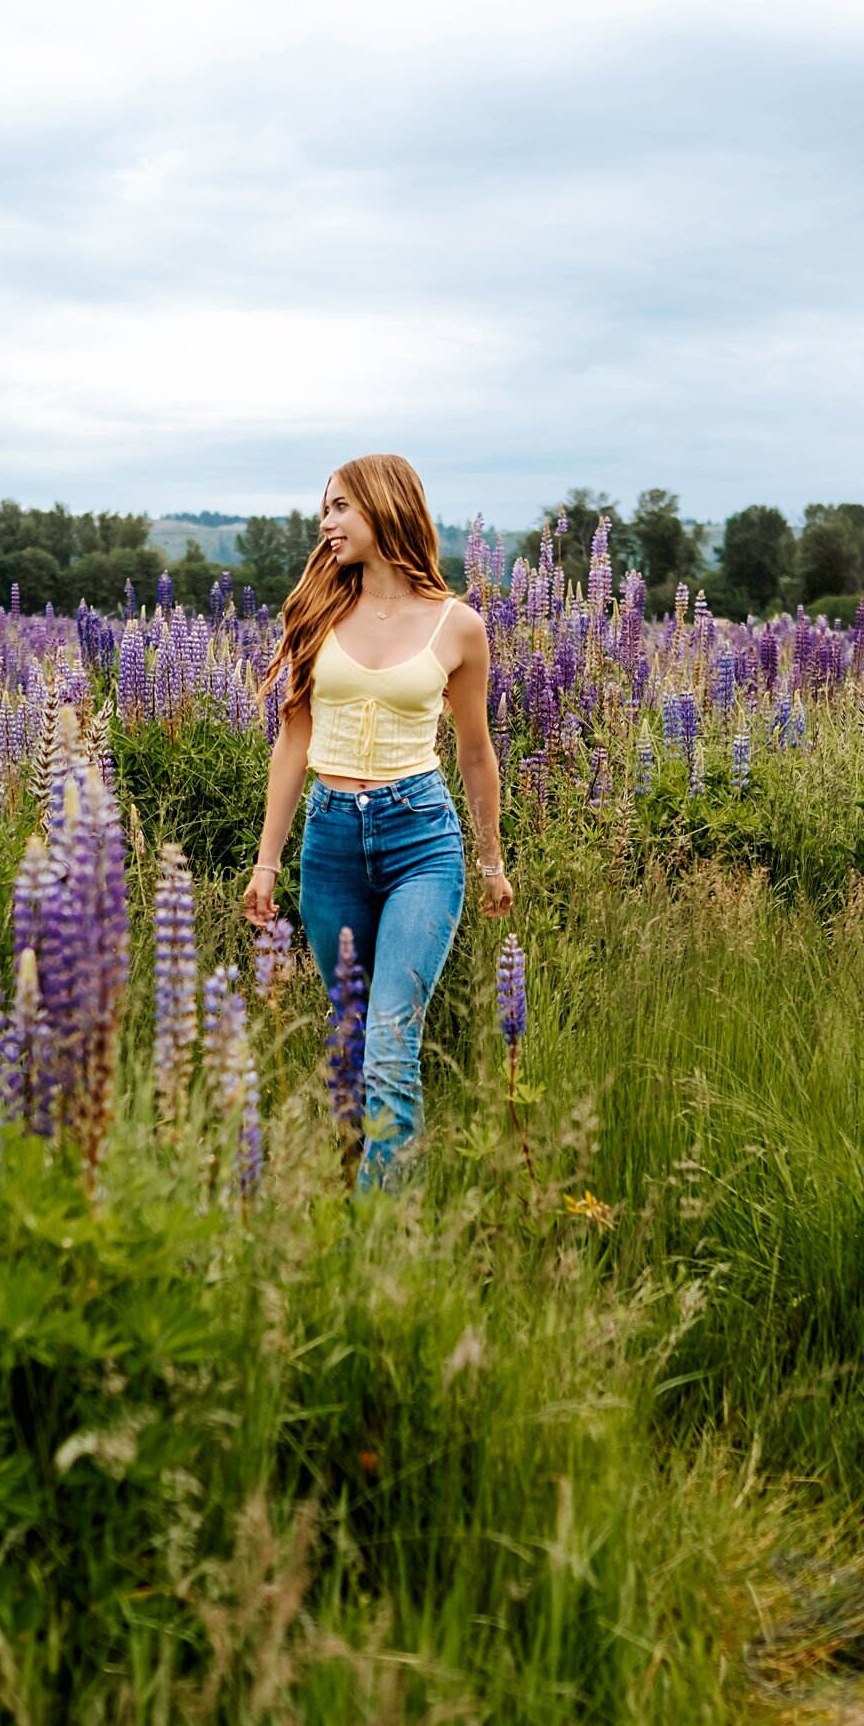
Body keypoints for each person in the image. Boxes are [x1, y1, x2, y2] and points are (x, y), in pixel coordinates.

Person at [243, 453, 514, 1188]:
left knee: (392, 1039)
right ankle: (352, 1189)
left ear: (385, 506)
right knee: (353, 1037)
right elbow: (292, 741)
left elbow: (475, 751)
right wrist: (267, 859)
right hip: (329, 841)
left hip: (420, 838)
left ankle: (380, 1240)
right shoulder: (316, 612)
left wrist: (491, 860)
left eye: (339, 508)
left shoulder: (459, 627)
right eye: (323, 509)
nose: (325, 523)